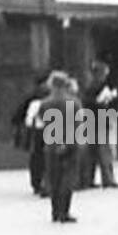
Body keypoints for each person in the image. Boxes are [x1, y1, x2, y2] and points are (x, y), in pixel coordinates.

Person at [35, 71, 81, 223]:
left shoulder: (45, 103)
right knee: (68, 178)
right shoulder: (74, 102)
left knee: (54, 178)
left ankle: (55, 211)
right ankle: (64, 211)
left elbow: (41, 120)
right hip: (70, 142)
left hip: (51, 143)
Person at [79, 58, 118, 189]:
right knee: (104, 152)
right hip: (100, 121)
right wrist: (104, 101)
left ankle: (88, 179)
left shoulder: (89, 86)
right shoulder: (99, 86)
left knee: (91, 153)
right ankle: (108, 179)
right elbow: (92, 102)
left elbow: (85, 102)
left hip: (90, 122)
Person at [12, 75, 48, 196]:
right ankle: (43, 182)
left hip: (37, 129)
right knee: (44, 156)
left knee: (37, 156)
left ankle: (37, 183)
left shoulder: (32, 97)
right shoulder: (46, 96)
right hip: (46, 129)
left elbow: (19, 114)